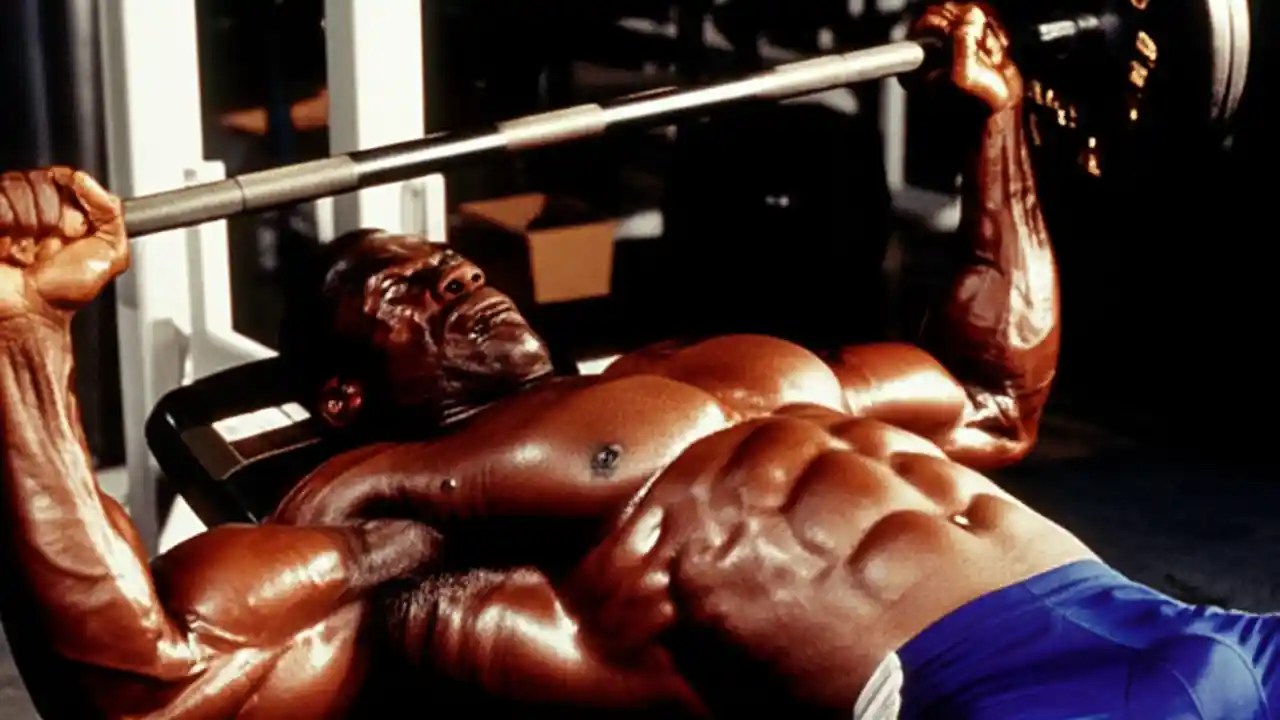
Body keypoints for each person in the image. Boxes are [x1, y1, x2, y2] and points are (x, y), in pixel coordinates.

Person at [0, 4, 1059, 717]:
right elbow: (147, 681)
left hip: (1122, 606)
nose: (455, 281)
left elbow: (993, 397)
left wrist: (993, 125)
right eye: (400, 294)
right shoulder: (408, 522)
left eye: (452, 265)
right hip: (973, 684)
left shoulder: (699, 366)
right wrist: (24, 334)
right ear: (344, 394)